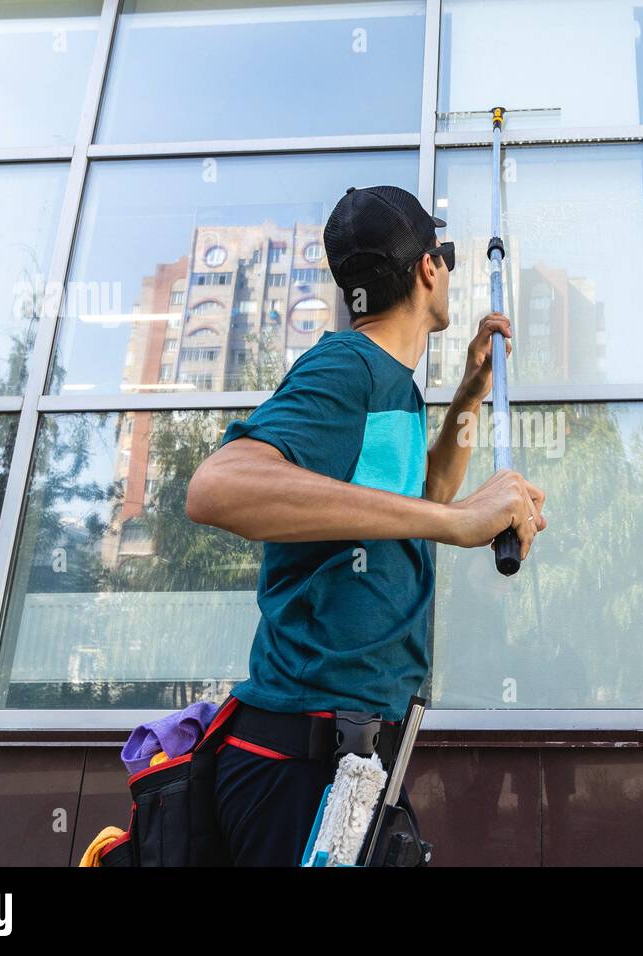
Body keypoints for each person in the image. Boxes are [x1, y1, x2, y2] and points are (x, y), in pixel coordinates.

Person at [184, 184, 547, 865]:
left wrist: (469, 393)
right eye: (444, 255)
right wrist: (457, 519)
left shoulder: (394, 386)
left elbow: (427, 500)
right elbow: (216, 487)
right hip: (303, 756)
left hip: (353, 755)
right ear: (427, 270)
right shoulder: (344, 366)